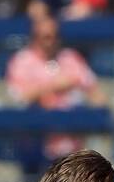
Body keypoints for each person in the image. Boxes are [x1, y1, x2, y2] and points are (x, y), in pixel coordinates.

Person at [6, 15, 104, 163]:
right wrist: (54, 86)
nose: (52, 41)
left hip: (72, 148)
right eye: (46, 37)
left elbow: (96, 94)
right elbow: (18, 98)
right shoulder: (22, 61)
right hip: (35, 145)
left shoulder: (70, 58)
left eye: (55, 36)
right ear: (35, 37)